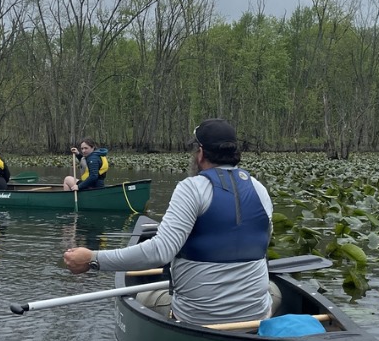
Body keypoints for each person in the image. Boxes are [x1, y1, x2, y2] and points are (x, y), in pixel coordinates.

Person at [63, 119, 275, 326]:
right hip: (257, 315)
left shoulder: (191, 188)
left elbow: (160, 252)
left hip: (197, 319)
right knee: (275, 290)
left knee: (144, 294)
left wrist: (93, 259)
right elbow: (262, 244)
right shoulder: (259, 189)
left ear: (200, 153)